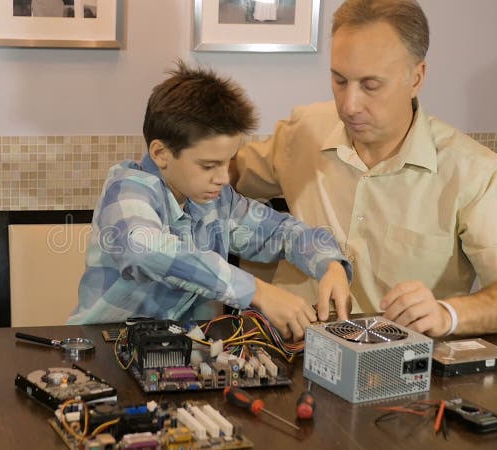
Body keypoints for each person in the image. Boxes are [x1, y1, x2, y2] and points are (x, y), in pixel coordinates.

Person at [234, 0, 497, 337]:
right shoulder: (303, 132)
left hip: (397, 364)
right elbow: (217, 180)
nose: (349, 106)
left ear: (416, 78)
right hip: (289, 349)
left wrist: (447, 314)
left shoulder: (474, 171)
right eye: (340, 81)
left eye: (370, 86)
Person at [68, 61, 352, 340]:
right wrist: (258, 291)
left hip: (184, 351)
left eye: (227, 162)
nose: (223, 178)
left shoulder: (217, 200)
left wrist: (330, 264)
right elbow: (145, 251)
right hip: (107, 348)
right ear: (160, 153)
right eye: (208, 165)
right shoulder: (126, 189)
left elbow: (281, 232)